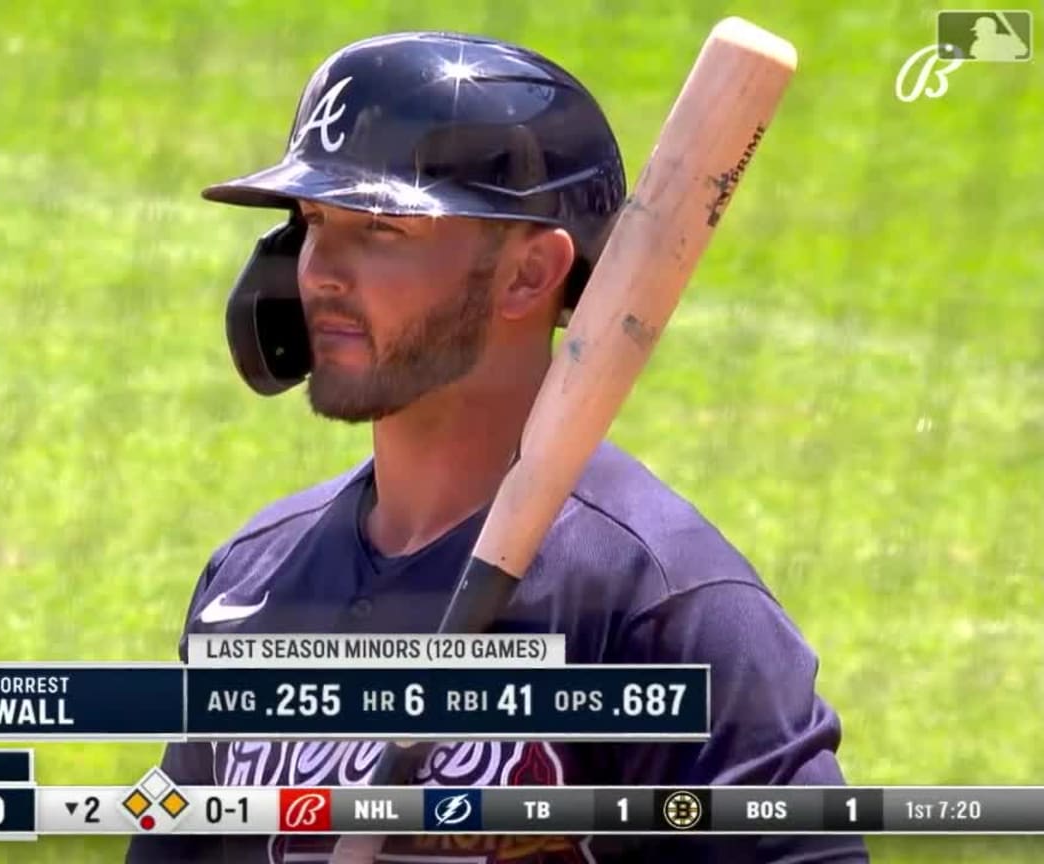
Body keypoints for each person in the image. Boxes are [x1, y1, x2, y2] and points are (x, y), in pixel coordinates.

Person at [126, 30, 868, 864]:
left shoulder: (664, 608)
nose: (320, 271)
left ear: (528, 274)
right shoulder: (251, 580)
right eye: (314, 221)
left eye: (381, 229)